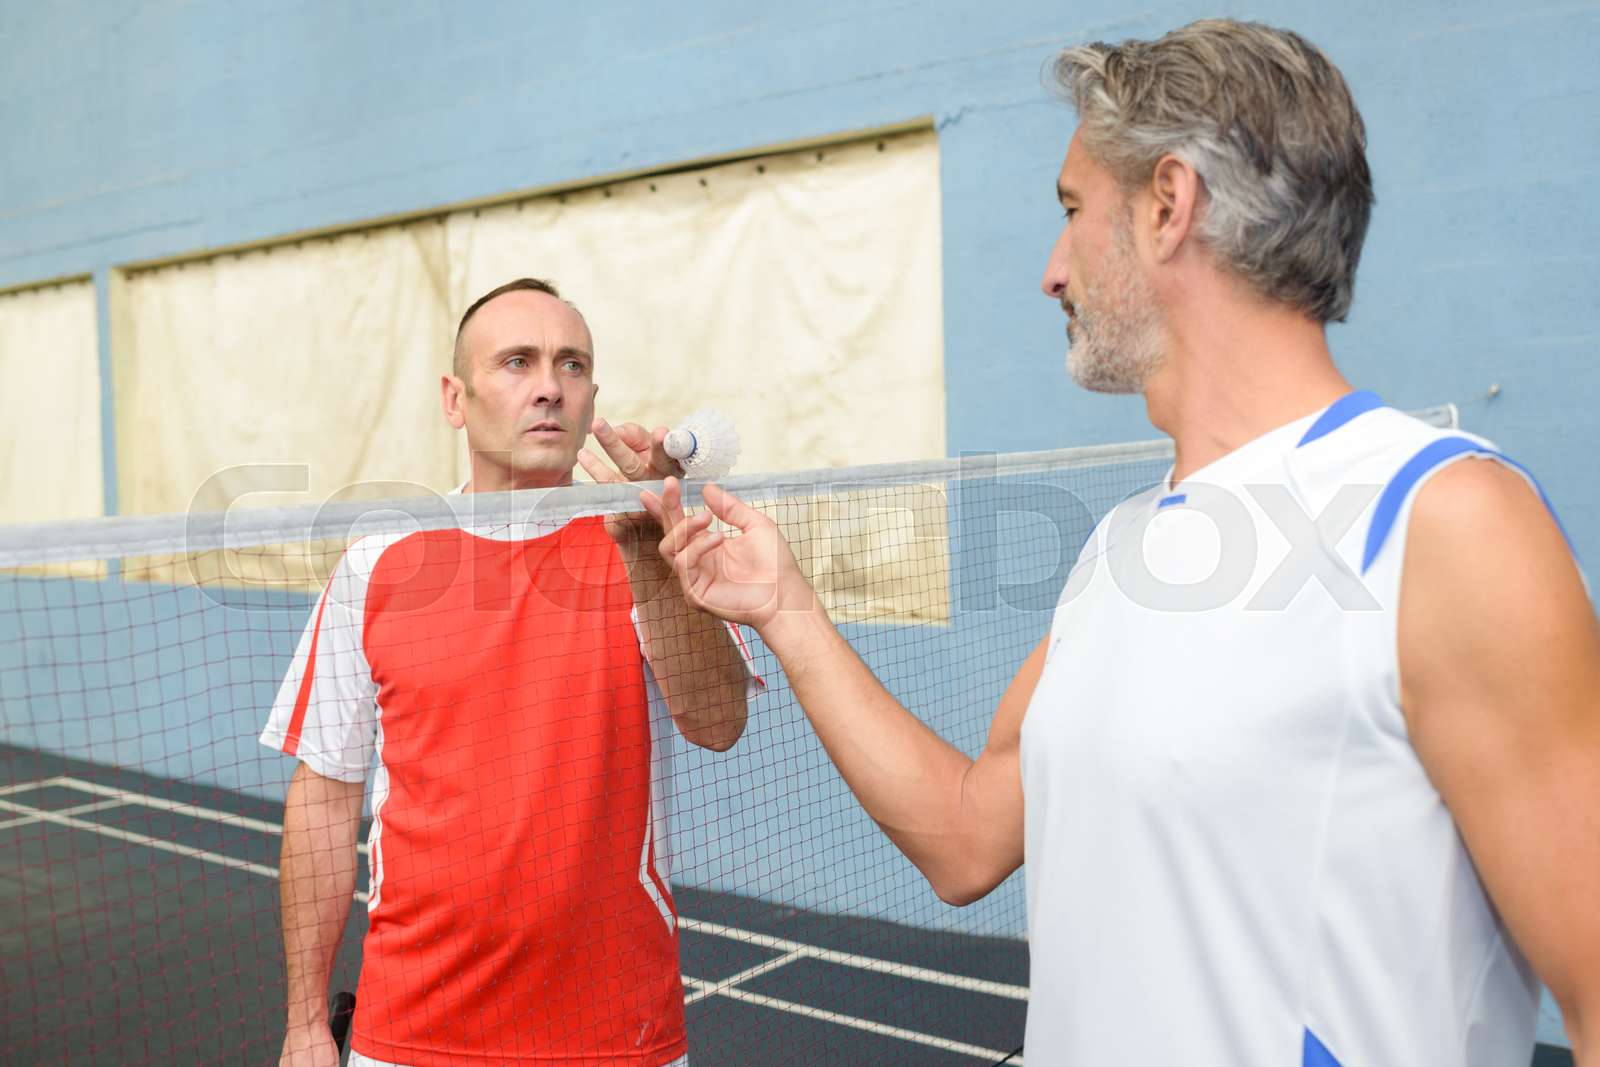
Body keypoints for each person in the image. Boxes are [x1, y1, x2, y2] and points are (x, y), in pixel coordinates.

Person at [642, 19, 1600, 1066]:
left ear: (1166, 204)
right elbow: (963, 838)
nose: (1052, 271)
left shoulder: (1443, 520)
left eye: (1069, 212)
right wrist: (786, 608)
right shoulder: (1121, 547)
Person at [264, 277, 760, 1067]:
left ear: (593, 395)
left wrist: (648, 557)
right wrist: (304, 1024)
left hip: (619, 1033)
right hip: (413, 1035)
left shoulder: (656, 544)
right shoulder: (376, 563)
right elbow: (323, 798)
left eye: (571, 366)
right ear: (454, 398)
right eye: (517, 362)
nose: (548, 388)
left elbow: (718, 721)